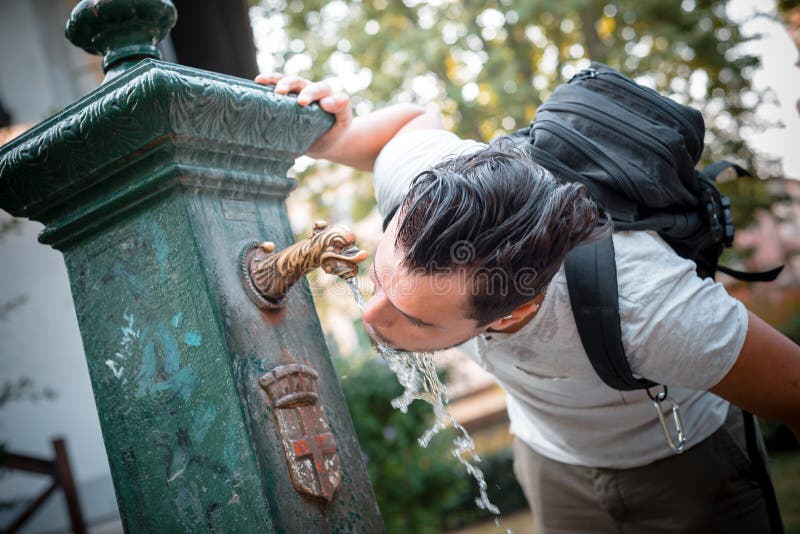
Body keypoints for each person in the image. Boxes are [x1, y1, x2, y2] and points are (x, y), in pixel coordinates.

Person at [255, 73, 800, 533]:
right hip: (550, 459)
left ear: (512, 313)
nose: (371, 319)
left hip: (689, 465)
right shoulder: (416, 179)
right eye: (378, 280)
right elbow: (408, 123)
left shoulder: (650, 307)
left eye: (415, 319)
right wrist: (334, 136)